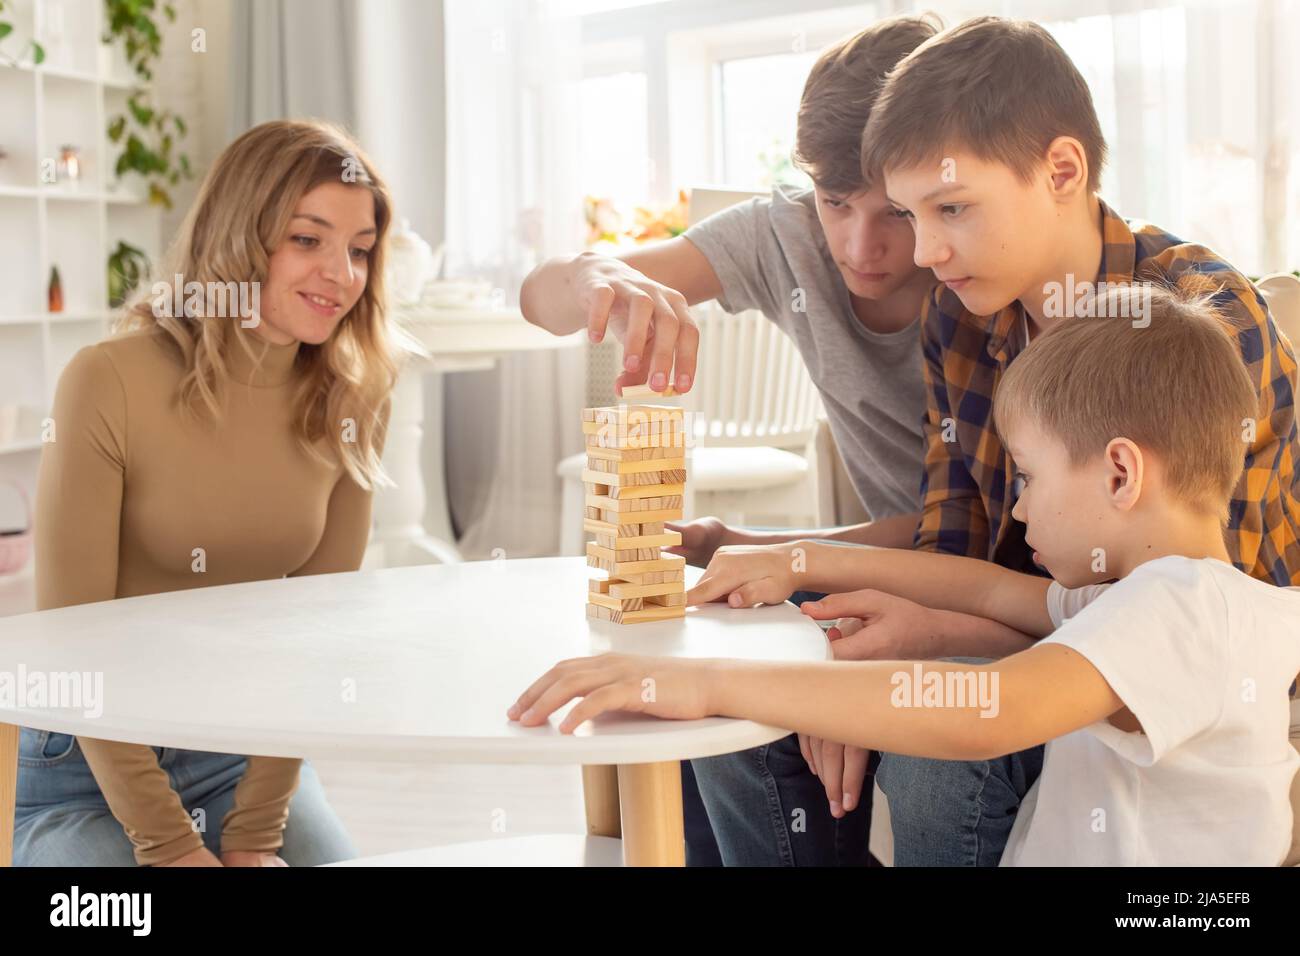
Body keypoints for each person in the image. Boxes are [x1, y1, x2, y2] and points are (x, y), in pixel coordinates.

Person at [691, 15, 1300, 865]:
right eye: (913, 214)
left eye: (952, 209)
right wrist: (804, 581)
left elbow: (1188, 618)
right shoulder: (962, 309)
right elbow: (955, 527)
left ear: (1061, 171)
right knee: (746, 675)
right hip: (1032, 624)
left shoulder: (1199, 326)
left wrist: (899, 661)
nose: (923, 249)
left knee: (934, 770)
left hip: (1108, 673)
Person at [512, 286, 1300, 866]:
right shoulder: (1174, 600)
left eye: (1028, 476)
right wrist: (801, 559)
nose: (1018, 514)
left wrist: (712, 684)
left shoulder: (1180, 613)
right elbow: (986, 590)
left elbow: (988, 708)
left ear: (1121, 474)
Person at [16, 120, 403, 867]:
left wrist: (255, 837)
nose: (342, 274)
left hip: (242, 751)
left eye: (359, 250)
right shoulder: (108, 380)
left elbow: (313, 637)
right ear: (239, 234)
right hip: (84, 765)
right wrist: (169, 849)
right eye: (306, 239)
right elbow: (74, 646)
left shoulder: (354, 400)